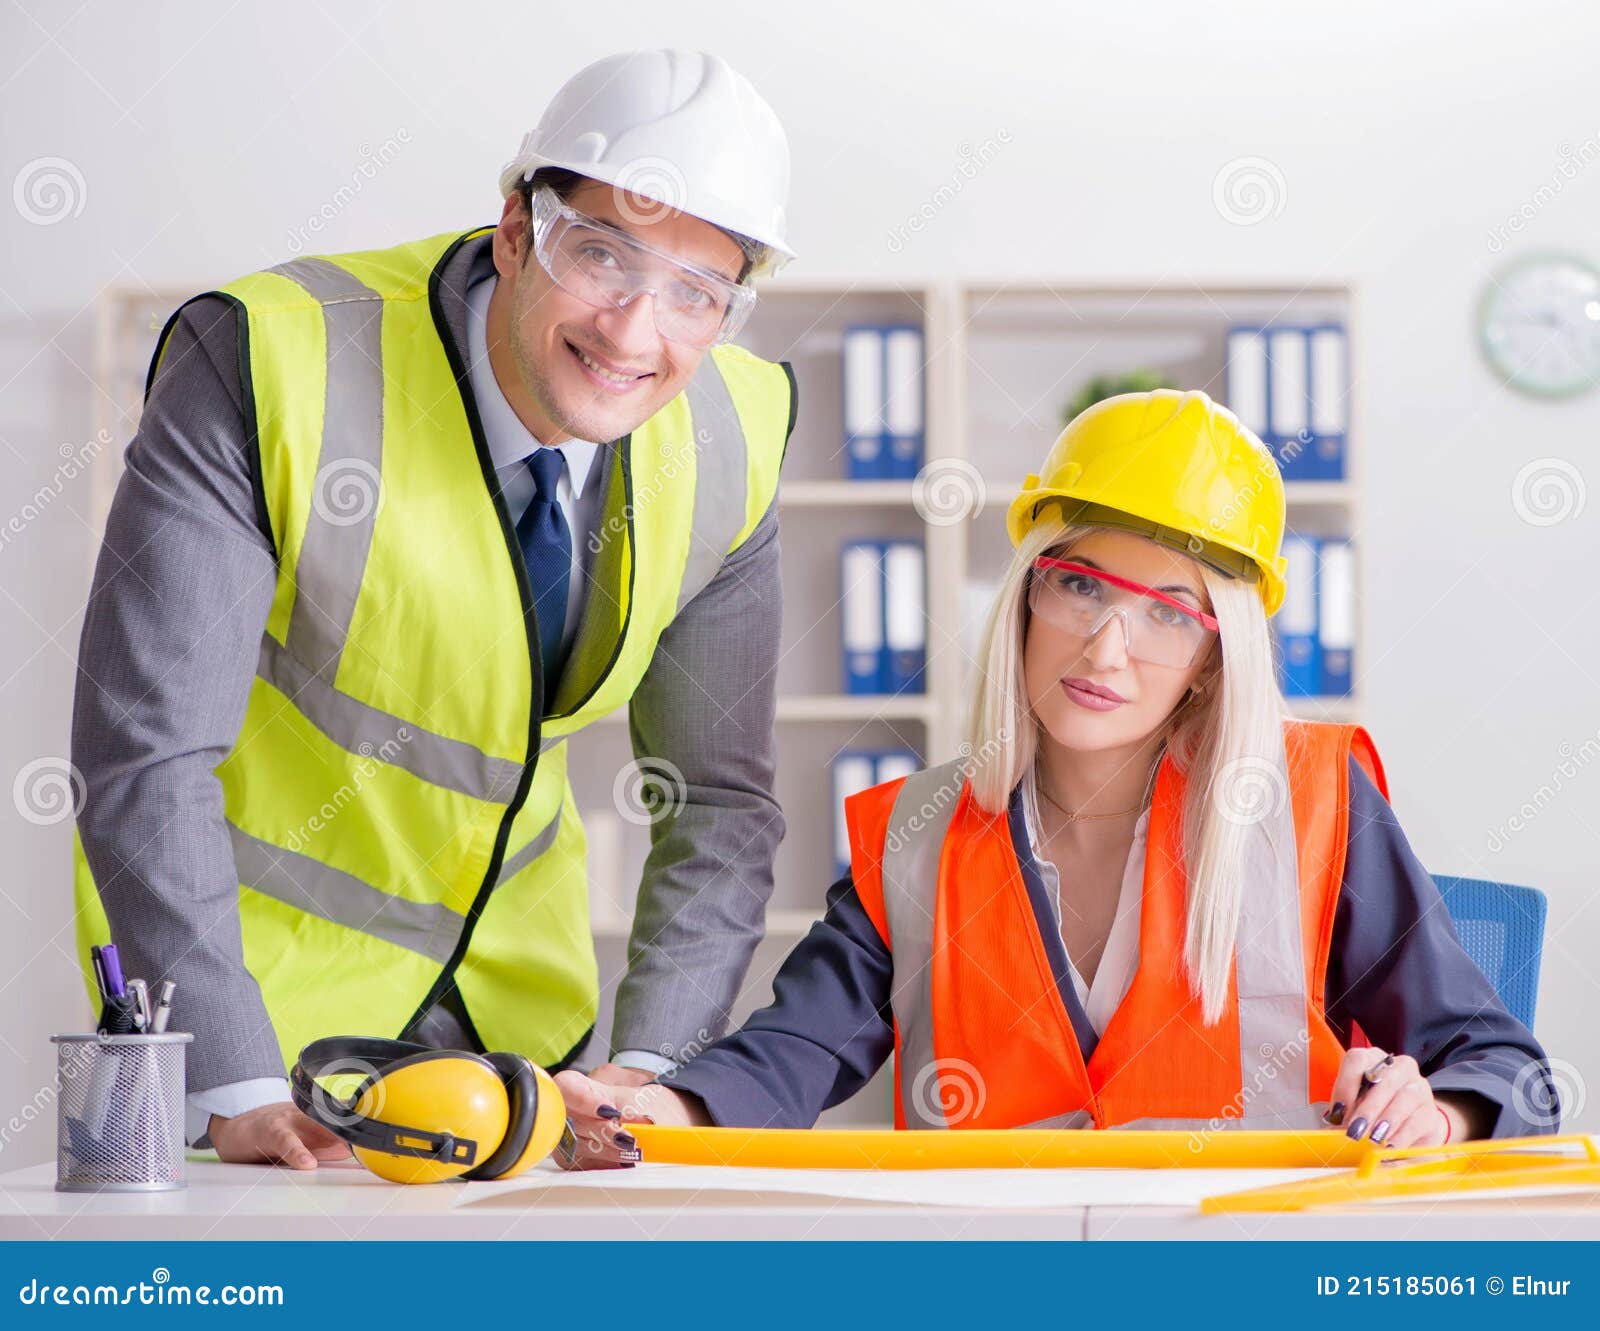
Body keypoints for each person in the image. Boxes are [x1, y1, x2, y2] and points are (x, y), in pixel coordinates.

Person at [71, 49, 799, 1169]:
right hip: (262, 1039)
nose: (633, 331)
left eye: (697, 292)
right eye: (601, 254)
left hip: (522, 1053)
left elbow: (718, 796)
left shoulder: (736, 434)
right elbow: (146, 755)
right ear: (516, 228)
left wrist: (646, 1070)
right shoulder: (270, 357)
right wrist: (237, 1078)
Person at [556, 389, 1560, 1167]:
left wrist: (1437, 1106)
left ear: (1218, 654)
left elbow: (1505, 1067)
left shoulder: (1314, 801)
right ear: (1027, 595)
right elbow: (796, 1049)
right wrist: (665, 1103)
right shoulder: (922, 832)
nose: (1106, 646)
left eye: (1170, 608)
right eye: (1079, 585)